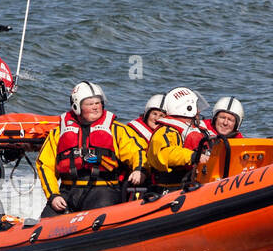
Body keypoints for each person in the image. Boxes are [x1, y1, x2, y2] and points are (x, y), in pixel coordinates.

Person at [36, 81, 146, 216]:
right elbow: (44, 165)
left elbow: (137, 151)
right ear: (77, 106)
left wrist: (139, 170)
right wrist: (53, 196)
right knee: (47, 220)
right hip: (68, 192)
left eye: (98, 103)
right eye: (89, 104)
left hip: (103, 190)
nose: (95, 107)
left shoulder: (117, 130)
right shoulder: (58, 133)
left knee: (99, 216)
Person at [146, 87, 213, 188]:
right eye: (196, 107)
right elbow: (165, 153)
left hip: (195, 184)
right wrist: (194, 156)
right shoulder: (166, 131)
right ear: (187, 108)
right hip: (170, 187)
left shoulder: (198, 129)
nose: (199, 111)